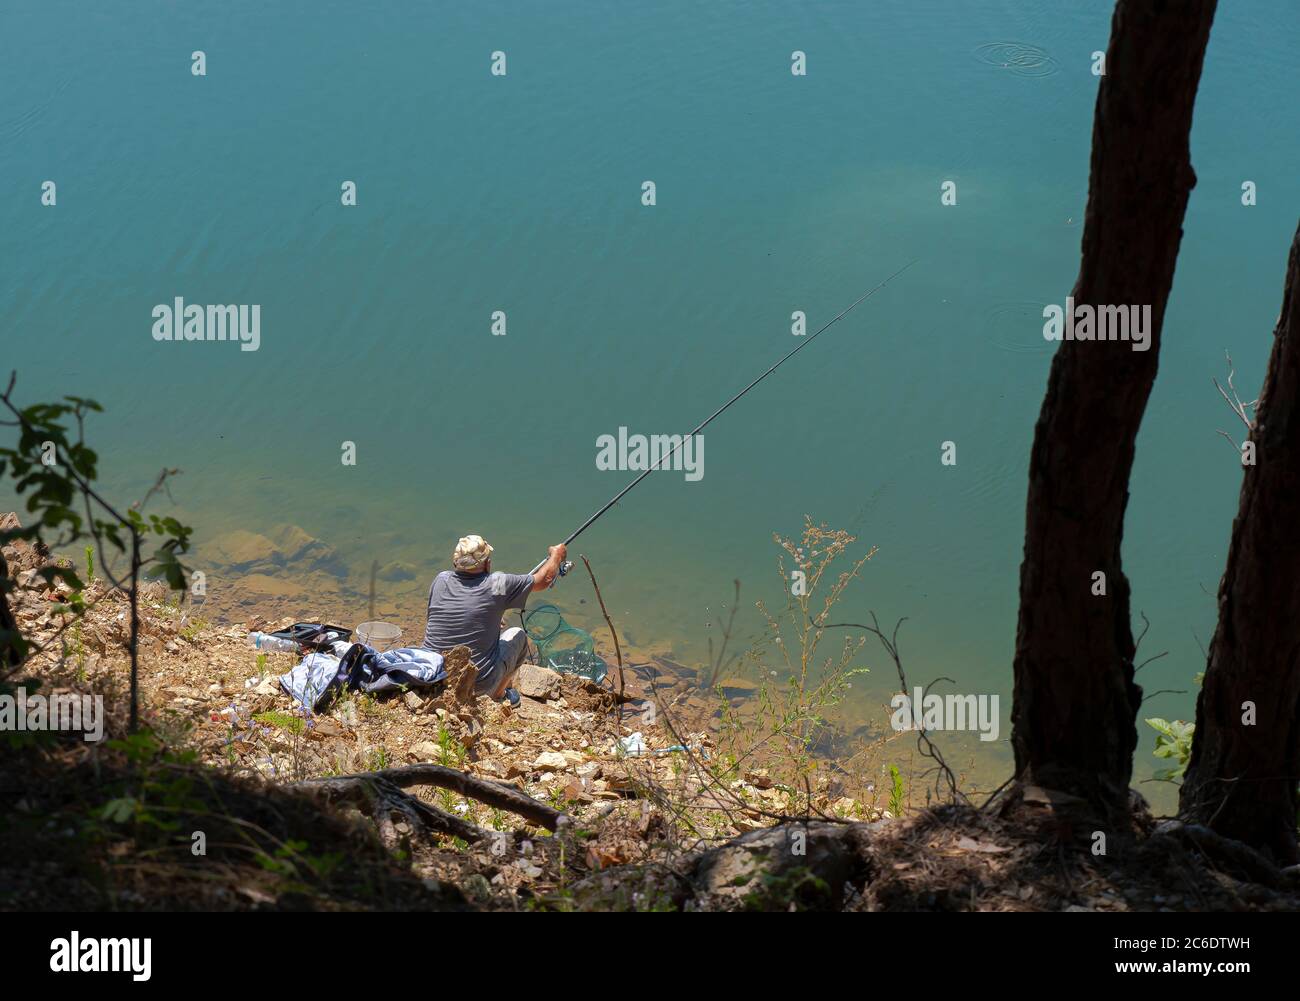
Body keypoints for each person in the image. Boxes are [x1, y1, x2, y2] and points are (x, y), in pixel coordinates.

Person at [421, 534, 567, 704]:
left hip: (430, 676)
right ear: (487, 563)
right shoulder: (498, 583)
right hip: (477, 687)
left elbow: (442, 618)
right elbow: (544, 580)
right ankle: (498, 694)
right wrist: (556, 555)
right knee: (518, 635)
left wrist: (488, 619)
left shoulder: (441, 580)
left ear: (456, 562)